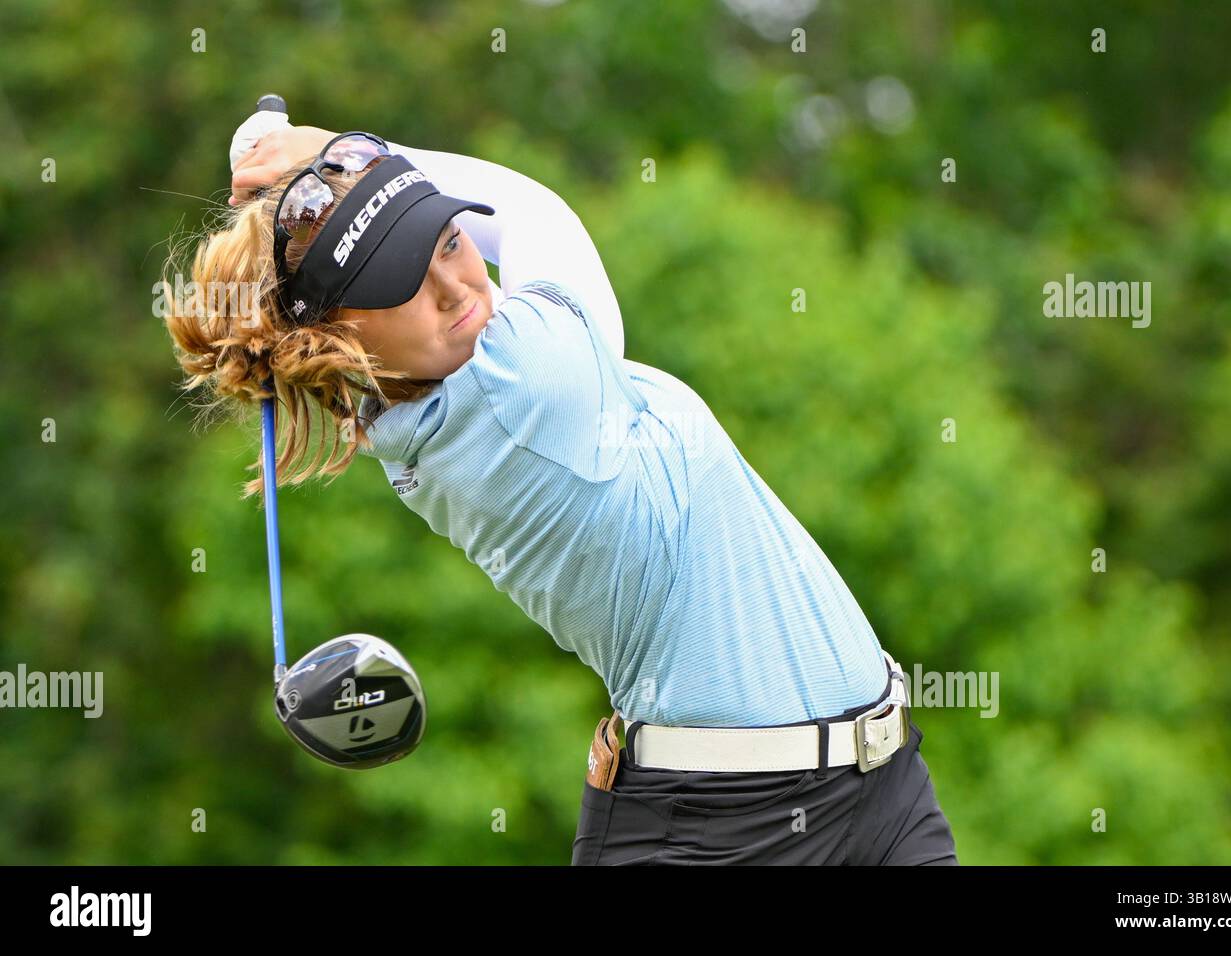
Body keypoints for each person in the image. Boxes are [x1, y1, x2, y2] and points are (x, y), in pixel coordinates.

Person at [163, 117, 957, 865]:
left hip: (877, 790)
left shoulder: (424, 390)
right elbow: (533, 211)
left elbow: (481, 262)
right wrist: (341, 144)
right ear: (344, 332)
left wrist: (348, 174)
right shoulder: (526, 384)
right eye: (406, 281)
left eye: (449, 241)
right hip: (723, 832)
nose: (454, 284)